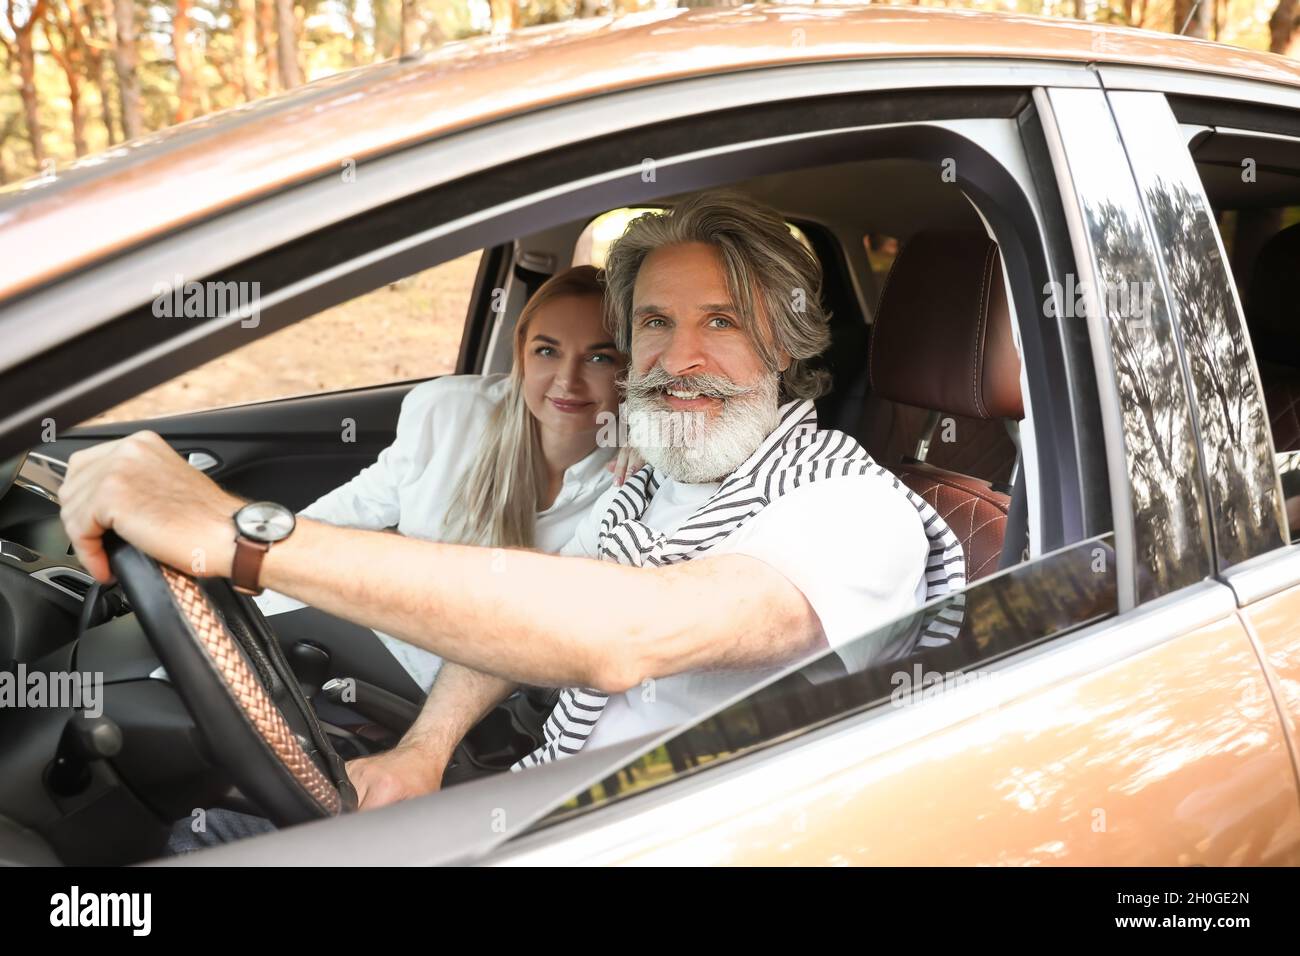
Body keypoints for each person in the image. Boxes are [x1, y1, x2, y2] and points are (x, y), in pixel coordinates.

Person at [58, 190, 964, 847]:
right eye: (653, 323)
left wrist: (242, 537)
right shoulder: (654, 483)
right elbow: (537, 615)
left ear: (791, 346)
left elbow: (623, 633)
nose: (677, 358)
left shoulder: (853, 509)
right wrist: (424, 751)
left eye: (721, 322)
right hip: (549, 802)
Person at [255, 265, 626, 691]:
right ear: (521, 351)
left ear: (631, 367)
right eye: (547, 351)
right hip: (367, 658)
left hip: (488, 698)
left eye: (601, 357)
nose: (567, 380)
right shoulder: (449, 413)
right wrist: (249, 564)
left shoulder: (640, 473)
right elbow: (337, 519)